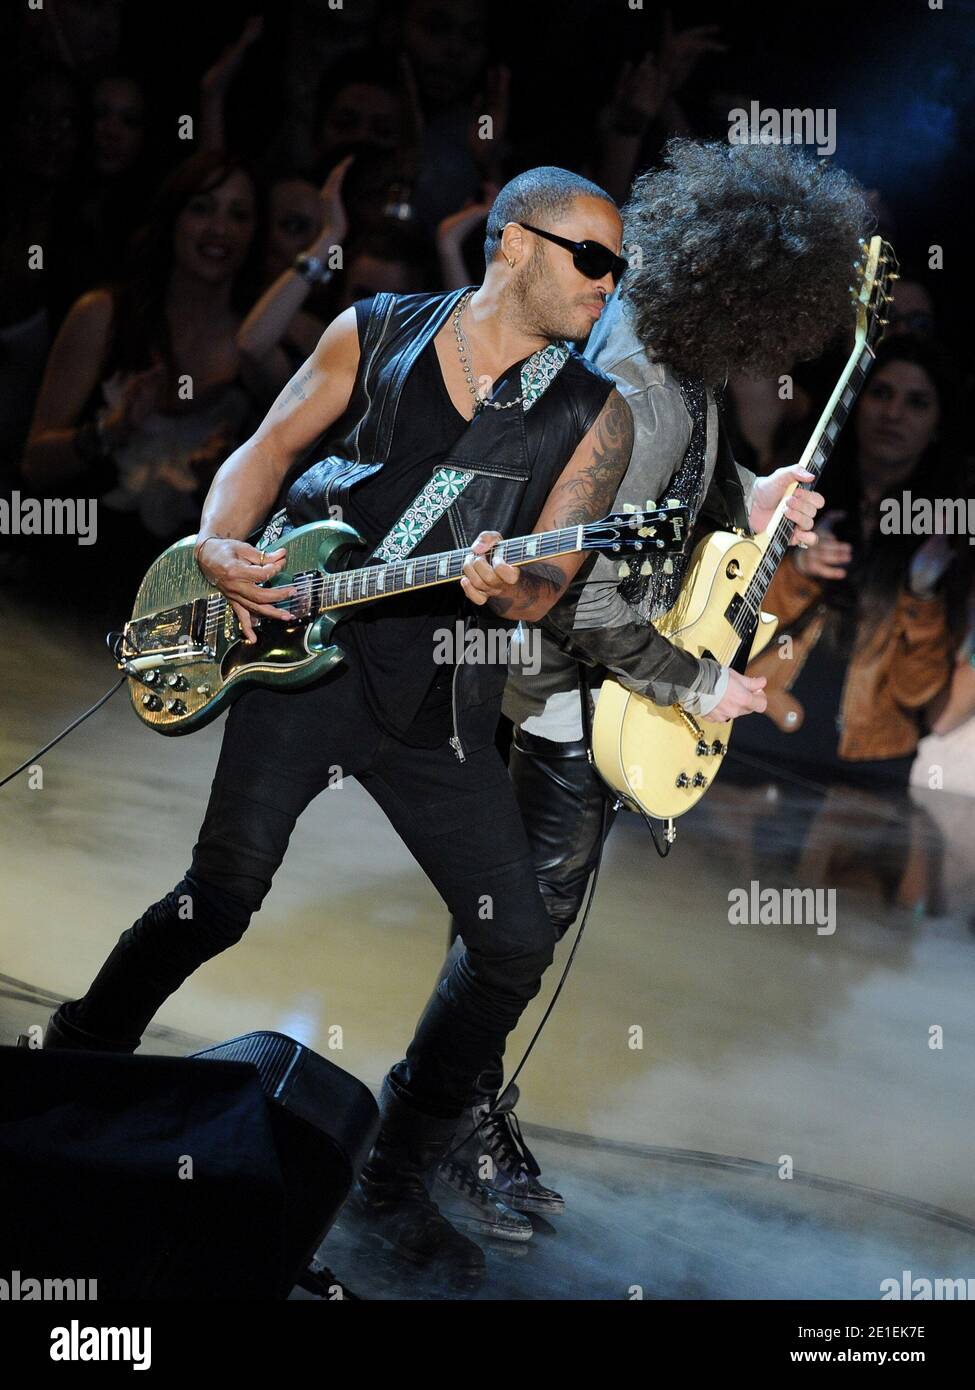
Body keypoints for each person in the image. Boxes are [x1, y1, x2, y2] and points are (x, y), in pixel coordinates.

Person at [40, 167, 635, 1285]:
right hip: (301, 659)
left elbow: (550, 579)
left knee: (511, 938)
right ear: (514, 244)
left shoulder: (594, 412)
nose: (611, 281)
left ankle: (397, 1169)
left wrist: (506, 588)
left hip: (438, 705)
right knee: (218, 899)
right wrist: (222, 540)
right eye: (592, 258)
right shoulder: (377, 329)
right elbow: (263, 449)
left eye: (620, 266)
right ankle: (77, 1064)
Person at [440, 139, 872, 1216]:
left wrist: (750, 491)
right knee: (518, 930)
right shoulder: (643, 380)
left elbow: (675, 485)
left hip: (561, 679)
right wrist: (695, 684)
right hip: (553, 685)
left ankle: (455, 1113)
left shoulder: (667, 342)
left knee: (512, 924)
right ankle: (444, 1124)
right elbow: (581, 596)